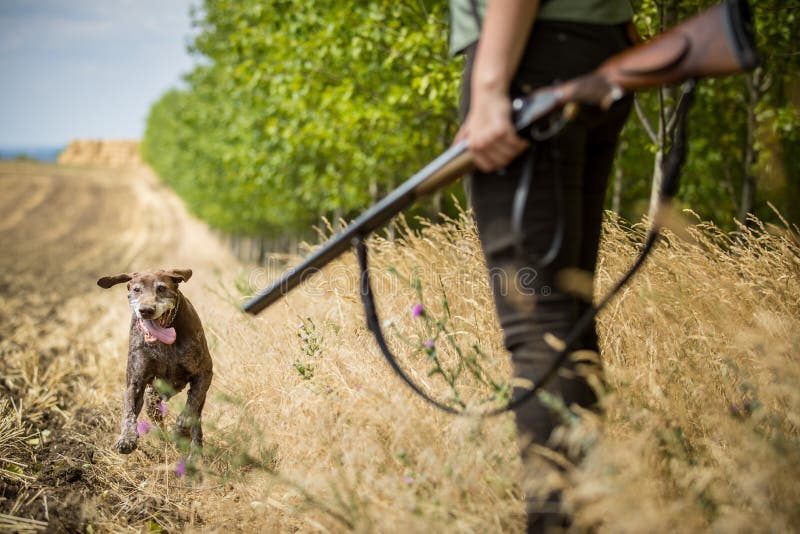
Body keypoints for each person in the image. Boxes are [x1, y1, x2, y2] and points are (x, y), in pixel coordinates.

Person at [450, 0, 635, 530]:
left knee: (541, 329)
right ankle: (582, 516)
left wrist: (488, 90)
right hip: (591, 54)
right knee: (566, 322)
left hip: (526, 56)